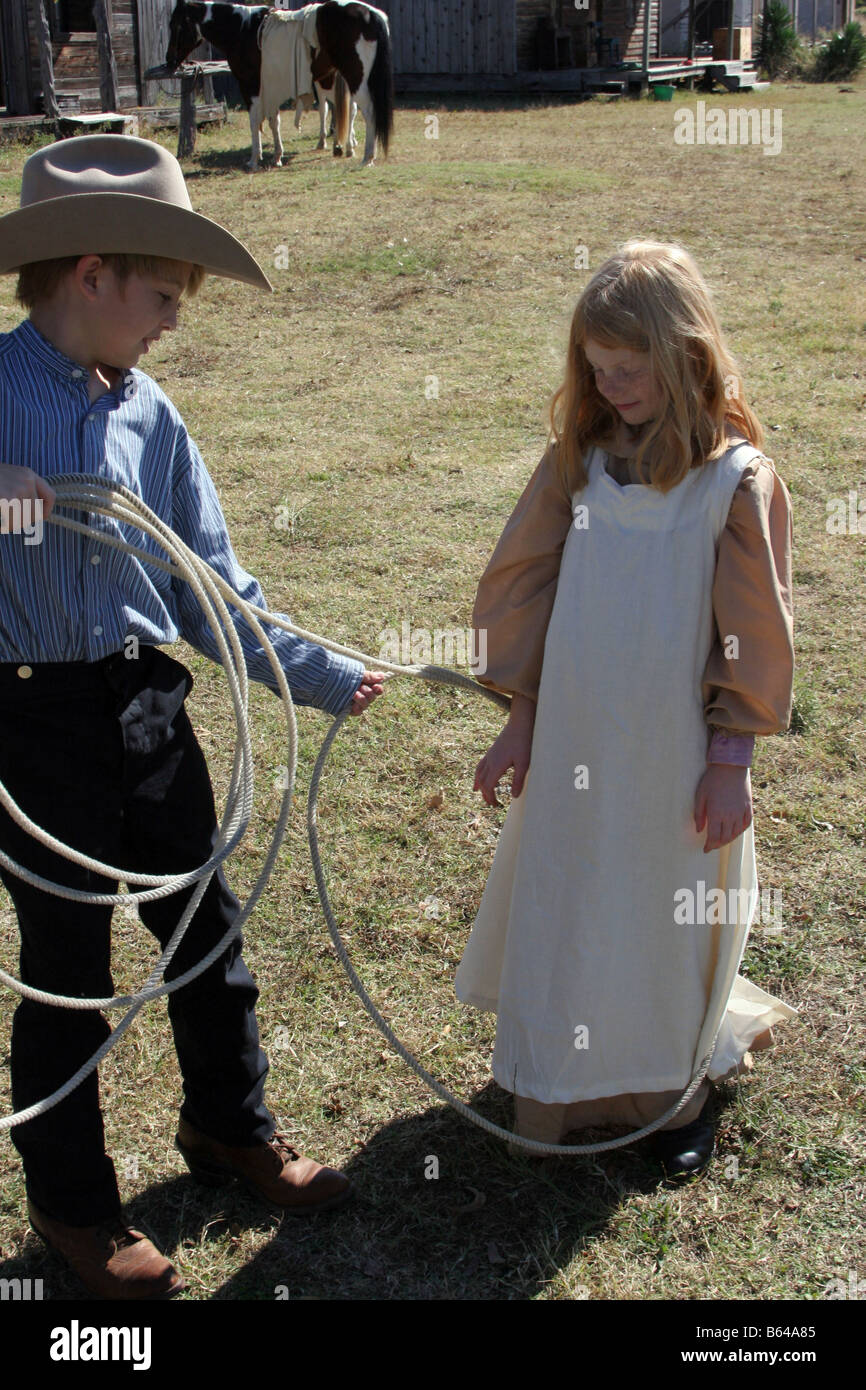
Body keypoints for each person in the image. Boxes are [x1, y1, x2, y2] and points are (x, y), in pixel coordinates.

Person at [0, 134, 384, 1299]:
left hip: (143, 702)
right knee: (68, 962)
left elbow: (210, 588)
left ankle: (229, 1127)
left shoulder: (151, 417)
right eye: (161, 295)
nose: (171, 319)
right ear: (92, 271)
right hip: (29, 714)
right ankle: (74, 1205)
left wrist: (323, 674)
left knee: (204, 931)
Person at [456, 241, 795, 1175]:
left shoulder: (735, 483)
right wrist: (520, 719)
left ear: (686, 354)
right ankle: (563, 1082)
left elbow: (753, 632)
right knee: (574, 899)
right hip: (575, 737)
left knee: (657, 912)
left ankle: (666, 1088)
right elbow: (529, 591)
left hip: (676, 759)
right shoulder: (581, 464)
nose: (611, 390)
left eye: (630, 370)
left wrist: (731, 762)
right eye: (597, 372)